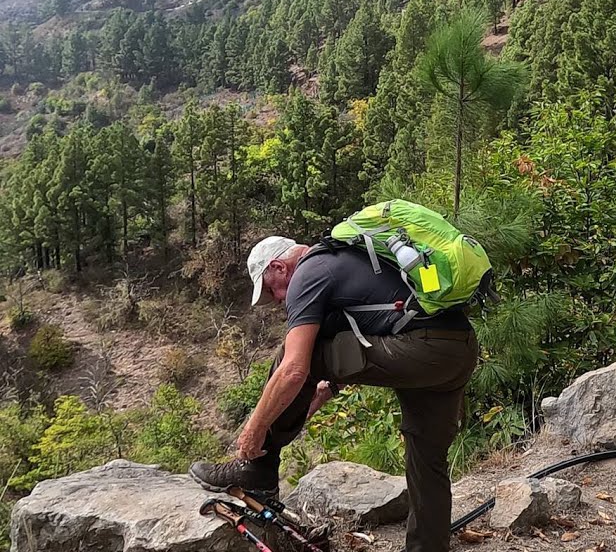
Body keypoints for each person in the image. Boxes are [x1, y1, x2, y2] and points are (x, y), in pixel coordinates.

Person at [190, 235, 479, 552]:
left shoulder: (307, 273)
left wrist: (253, 432)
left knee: (293, 352)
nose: (278, 300)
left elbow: (294, 370)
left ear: (278, 266)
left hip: (420, 348)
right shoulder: (349, 259)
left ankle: (257, 468)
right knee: (427, 457)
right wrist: (327, 388)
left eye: (272, 289)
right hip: (457, 348)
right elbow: (376, 322)